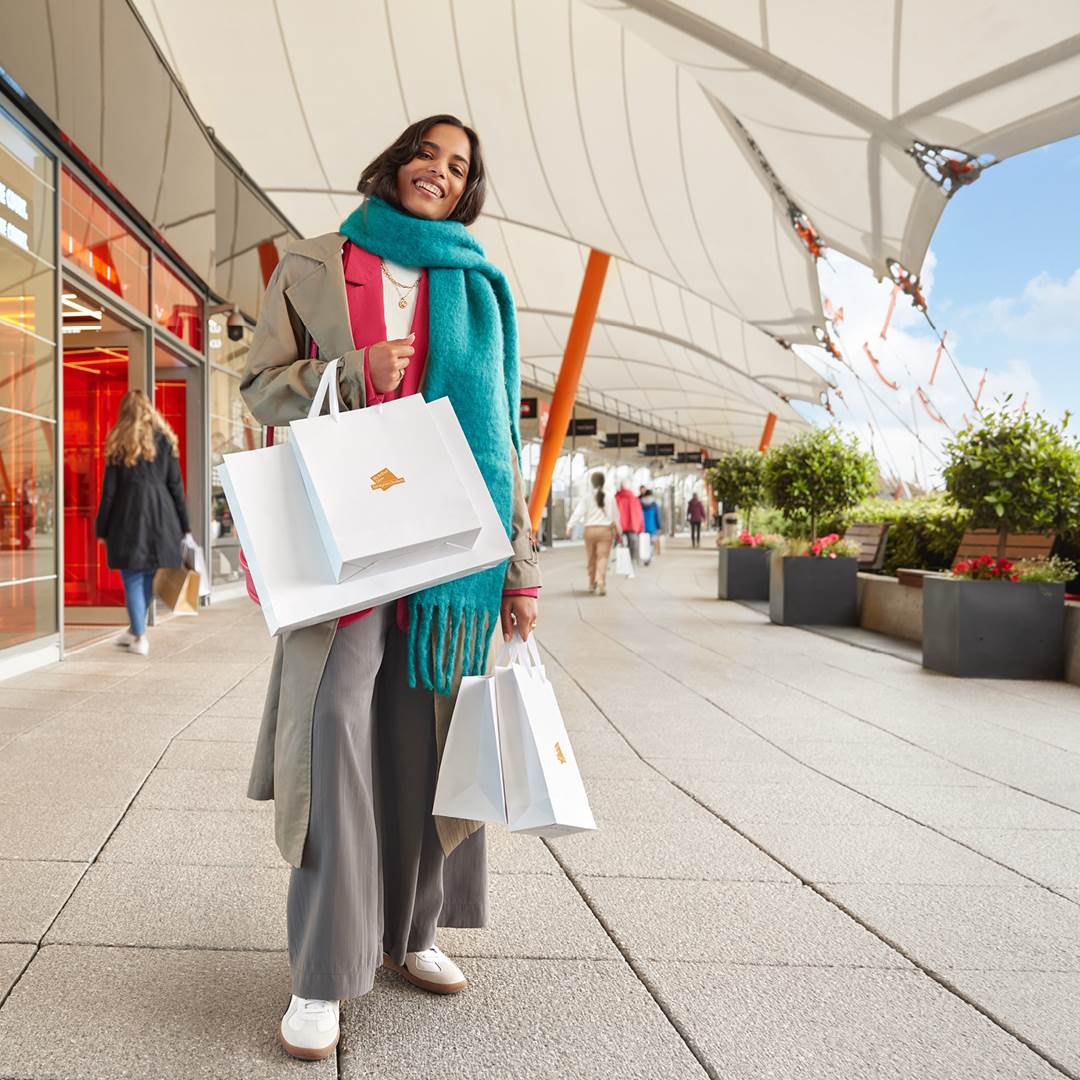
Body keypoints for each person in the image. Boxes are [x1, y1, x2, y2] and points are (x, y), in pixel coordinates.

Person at [240, 115, 541, 1062]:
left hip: (456, 554)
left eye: (460, 168)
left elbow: (504, 437)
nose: (440, 174)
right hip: (351, 544)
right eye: (429, 155)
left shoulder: (480, 286)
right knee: (334, 733)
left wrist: (520, 572)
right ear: (396, 161)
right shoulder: (316, 263)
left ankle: (414, 932)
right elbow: (259, 386)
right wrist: (347, 372)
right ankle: (322, 975)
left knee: (429, 740)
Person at [95, 389, 191, 658]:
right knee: (148, 576)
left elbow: (109, 493)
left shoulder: (118, 442)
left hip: (128, 520)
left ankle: (139, 636)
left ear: (124, 412)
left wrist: (101, 528)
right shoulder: (165, 441)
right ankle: (134, 629)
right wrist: (185, 526)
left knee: (133, 578)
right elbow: (176, 488)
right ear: (150, 410)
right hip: (163, 518)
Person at [566, 471, 620, 595]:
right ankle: (600, 580)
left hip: (589, 530)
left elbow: (578, 513)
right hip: (605, 530)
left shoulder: (587, 497)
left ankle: (591, 584)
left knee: (591, 558)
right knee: (602, 557)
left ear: (592, 482)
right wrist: (618, 530)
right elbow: (615, 516)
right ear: (603, 482)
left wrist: (570, 526)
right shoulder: (610, 496)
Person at [615, 483, 645, 564]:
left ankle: (622, 561)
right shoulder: (634, 499)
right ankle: (632, 560)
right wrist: (641, 527)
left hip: (620, 526)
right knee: (633, 544)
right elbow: (639, 514)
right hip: (633, 526)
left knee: (620, 543)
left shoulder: (617, 498)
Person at [640, 488, 662, 562]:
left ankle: (645, 557)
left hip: (643, 527)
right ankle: (649, 556)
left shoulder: (640, 503)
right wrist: (659, 527)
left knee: (644, 542)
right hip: (653, 527)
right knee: (651, 543)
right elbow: (657, 516)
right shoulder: (654, 504)